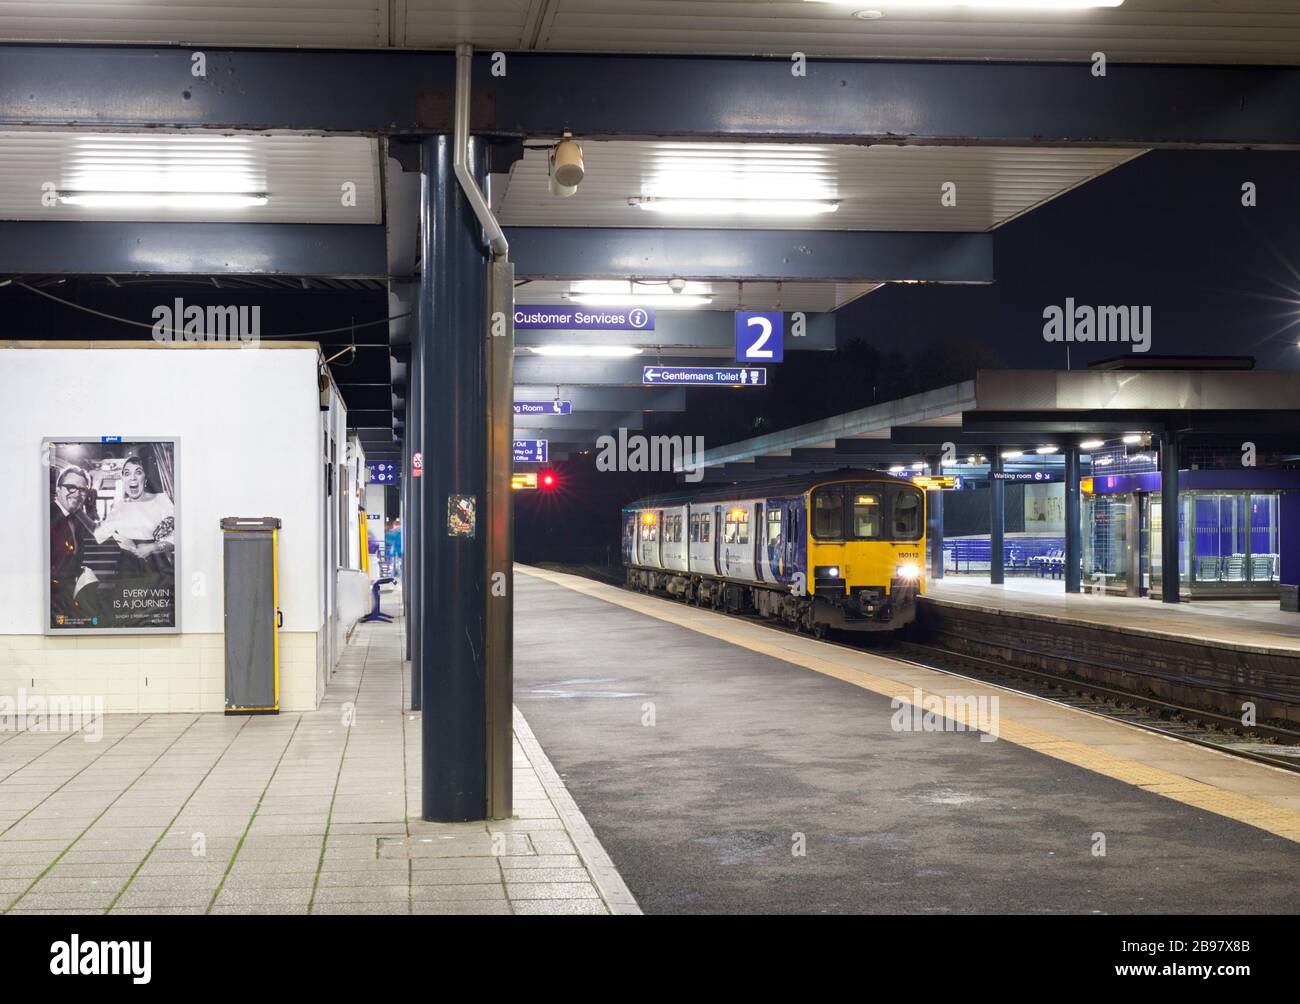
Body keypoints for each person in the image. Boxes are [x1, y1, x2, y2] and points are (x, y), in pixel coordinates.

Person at [93, 456, 176, 627]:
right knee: (129, 617)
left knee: (157, 616)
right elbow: (98, 535)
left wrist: (152, 547)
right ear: (122, 479)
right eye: (127, 473)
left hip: (156, 567)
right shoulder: (119, 507)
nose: (132, 478)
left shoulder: (161, 500)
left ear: (145, 478)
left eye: (138, 472)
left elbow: (176, 536)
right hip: (127, 568)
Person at [49, 466, 107, 628]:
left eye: (82, 489)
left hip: (68, 594)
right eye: (70, 487)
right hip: (53, 600)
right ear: (58, 490)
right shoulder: (47, 515)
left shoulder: (75, 518)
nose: (76, 493)